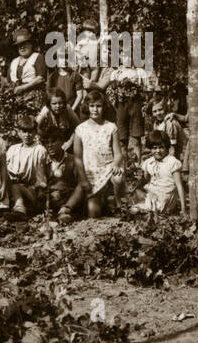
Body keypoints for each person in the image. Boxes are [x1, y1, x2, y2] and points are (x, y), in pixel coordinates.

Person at [73, 88, 124, 217]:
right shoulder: (80, 129)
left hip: (108, 170)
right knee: (94, 213)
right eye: (91, 106)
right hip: (91, 174)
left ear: (104, 107)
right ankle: (102, 202)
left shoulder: (111, 127)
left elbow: (118, 153)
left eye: (98, 106)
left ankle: (118, 205)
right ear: (87, 107)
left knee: (118, 177)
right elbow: (77, 158)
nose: (95, 110)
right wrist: (83, 179)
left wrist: (116, 164)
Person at [100, 40, 150, 158]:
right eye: (123, 55)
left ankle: (138, 165)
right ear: (120, 57)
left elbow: (147, 91)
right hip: (121, 106)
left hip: (135, 105)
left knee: (137, 139)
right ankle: (124, 166)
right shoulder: (116, 73)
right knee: (122, 140)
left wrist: (144, 103)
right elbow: (110, 92)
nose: (126, 58)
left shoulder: (140, 72)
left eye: (129, 56)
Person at [40, 124, 89, 223]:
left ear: (61, 141)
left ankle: (65, 211)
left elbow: (80, 184)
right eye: (46, 143)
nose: (50, 145)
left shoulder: (72, 160)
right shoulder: (43, 162)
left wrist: (65, 193)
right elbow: (41, 183)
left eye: (53, 141)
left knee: (81, 186)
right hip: (51, 199)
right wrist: (50, 192)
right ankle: (53, 215)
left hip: (69, 198)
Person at [130, 132, 185, 217]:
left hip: (165, 196)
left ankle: (150, 210)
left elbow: (179, 186)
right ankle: (147, 209)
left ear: (167, 148)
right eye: (154, 148)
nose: (157, 151)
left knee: (135, 210)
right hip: (153, 193)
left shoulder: (172, 162)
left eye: (161, 148)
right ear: (150, 149)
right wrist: (143, 173)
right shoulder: (149, 162)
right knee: (136, 192)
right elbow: (146, 181)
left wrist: (183, 209)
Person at [7, 112, 49, 220]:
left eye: (30, 132)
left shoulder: (39, 149)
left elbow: (41, 175)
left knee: (16, 186)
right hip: (12, 188)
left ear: (35, 132)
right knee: (12, 184)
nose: (27, 135)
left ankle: (20, 209)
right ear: (19, 133)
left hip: (32, 189)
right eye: (24, 132)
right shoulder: (13, 149)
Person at [7, 28, 48, 107]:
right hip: (16, 97)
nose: (22, 47)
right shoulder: (14, 61)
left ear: (31, 44)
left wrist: (24, 87)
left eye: (24, 44)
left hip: (34, 96)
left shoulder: (38, 57)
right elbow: (9, 80)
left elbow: (41, 78)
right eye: (19, 45)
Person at [150, 96, 185, 162]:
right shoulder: (156, 123)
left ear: (165, 109)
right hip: (165, 152)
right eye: (155, 111)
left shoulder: (170, 123)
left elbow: (173, 148)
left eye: (160, 110)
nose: (158, 113)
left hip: (177, 154)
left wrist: (168, 163)